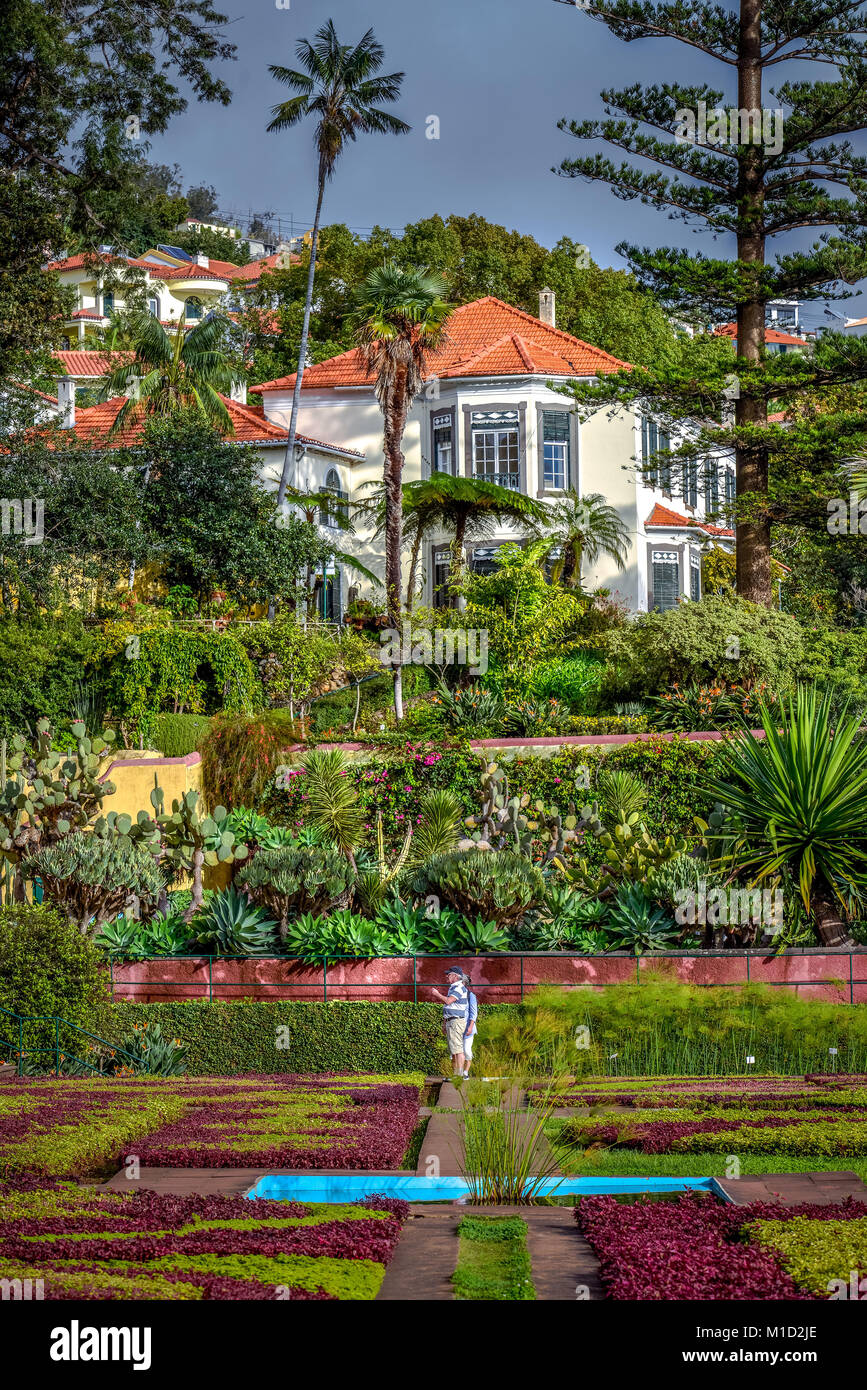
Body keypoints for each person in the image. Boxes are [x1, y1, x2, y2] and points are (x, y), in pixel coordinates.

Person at [430, 966, 468, 1076]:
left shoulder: (459, 987)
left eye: (449, 974)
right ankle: (457, 1074)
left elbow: (448, 1001)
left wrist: (436, 994)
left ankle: (459, 1075)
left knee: (458, 1049)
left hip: (456, 1022)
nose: (447, 976)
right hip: (452, 1021)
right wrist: (444, 1023)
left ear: (455, 976)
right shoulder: (454, 987)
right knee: (454, 1049)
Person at [461, 972, 478, 1078]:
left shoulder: (470, 995)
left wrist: (470, 1027)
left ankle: (465, 1072)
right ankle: (458, 1073)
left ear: (463, 983)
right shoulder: (454, 995)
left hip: (467, 1028)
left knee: (467, 1050)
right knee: (456, 1052)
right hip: (457, 1028)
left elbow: (473, 1012)